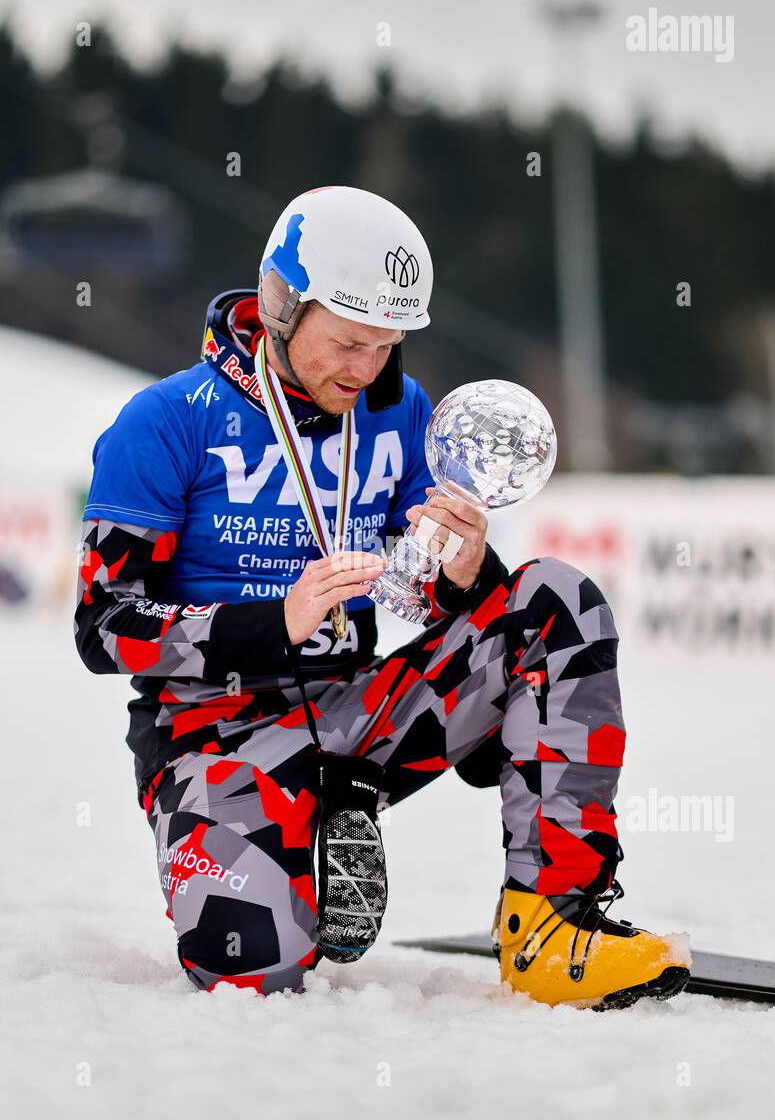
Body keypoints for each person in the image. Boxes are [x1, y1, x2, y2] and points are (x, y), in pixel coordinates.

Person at [74, 184, 690, 1009]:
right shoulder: (166, 420)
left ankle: (550, 922)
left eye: (386, 345)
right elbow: (102, 625)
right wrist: (272, 623)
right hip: (213, 735)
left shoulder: (400, 415)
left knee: (553, 599)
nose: (365, 370)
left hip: (358, 717)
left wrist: (468, 571)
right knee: (250, 970)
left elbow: (423, 592)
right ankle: (303, 827)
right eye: (348, 342)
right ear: (281, 306)